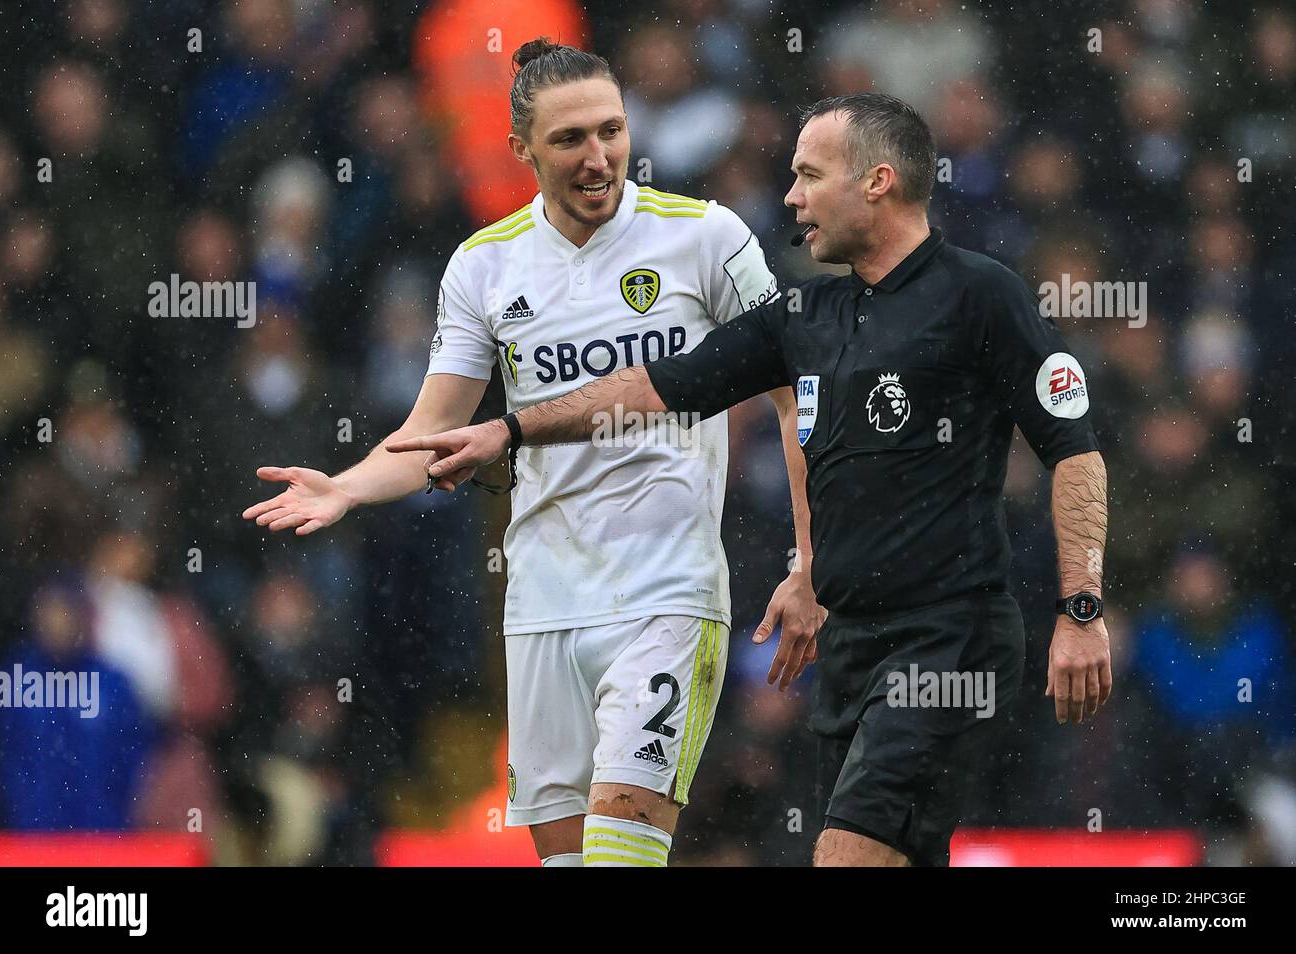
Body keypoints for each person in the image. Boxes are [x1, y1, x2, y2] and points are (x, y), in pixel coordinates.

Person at [387, 92, 1114, 867]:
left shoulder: (982, 295)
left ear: (876, 181)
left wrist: (1079, 610)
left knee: (845, 857)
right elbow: (651, 387)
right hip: (848, 644)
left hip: (947, 639)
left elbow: (1074, 451)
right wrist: (511, 427)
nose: (792, 196)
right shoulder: (806, 313)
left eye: (809, 176)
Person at [243, 39, 822, 868]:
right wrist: (346, 488)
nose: (598, 158)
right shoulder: (484, 266)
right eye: (570, 140)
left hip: (669, 592)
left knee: (624, 851)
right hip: (544, 601)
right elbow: (432, 432)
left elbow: (794, 385)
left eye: (611, 131)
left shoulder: (706, 237)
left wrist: (808, 555)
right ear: (522, 150)